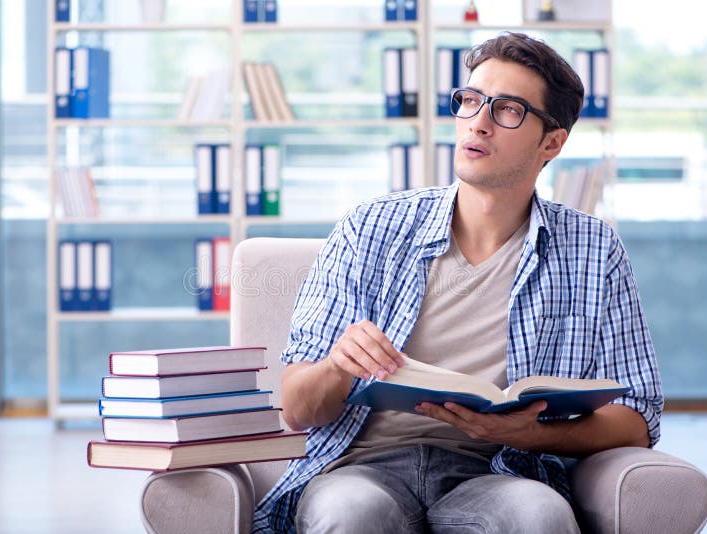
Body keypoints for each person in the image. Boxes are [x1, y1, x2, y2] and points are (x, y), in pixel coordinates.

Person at [252, 32, 663, 533]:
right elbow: (296, 407)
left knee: (540, 516)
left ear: (551, 142)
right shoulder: (370, 227)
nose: (479, 123)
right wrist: (338, 365)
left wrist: (530, 434)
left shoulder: (593, 250)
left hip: (499, 469)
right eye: (470, 101)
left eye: (507, 109)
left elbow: (638, 419)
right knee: (349, 514)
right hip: (361, 467)